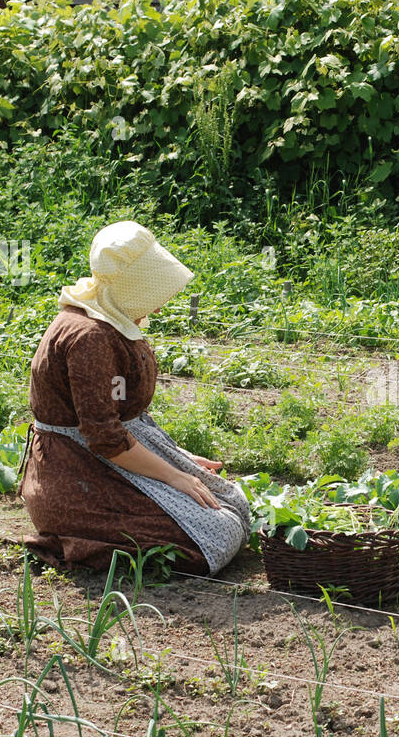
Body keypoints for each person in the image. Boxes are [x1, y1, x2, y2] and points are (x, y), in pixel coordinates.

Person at [20, 220, 249, 576]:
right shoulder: (90, 338)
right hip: (78, 473)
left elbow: (119, 419)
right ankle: (75, 531)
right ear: (128, 288)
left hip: (107, 453)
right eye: (149, 294)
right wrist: (174, 476)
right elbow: (105, 437)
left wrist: (179, 458)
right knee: (217, 532)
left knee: (234, 502)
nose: (156, 308)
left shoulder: (105, 314)